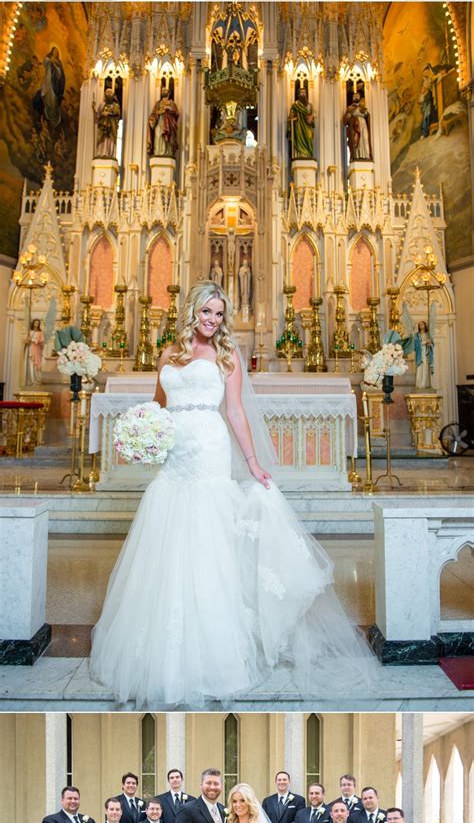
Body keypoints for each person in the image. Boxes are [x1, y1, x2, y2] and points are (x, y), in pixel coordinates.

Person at [90, 281, 376, 706]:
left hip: (208, 448)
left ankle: (217, 651)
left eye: (219, 314)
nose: (212, 320)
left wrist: (254, 462)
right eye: (206, 311)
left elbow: (236, 411)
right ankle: (163, 651)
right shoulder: (168, 355)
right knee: (169, 535)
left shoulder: (226, 356)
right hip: (174, 455)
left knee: (207, 537)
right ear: (192, 311)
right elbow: (157, 406)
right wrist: (140, 435)